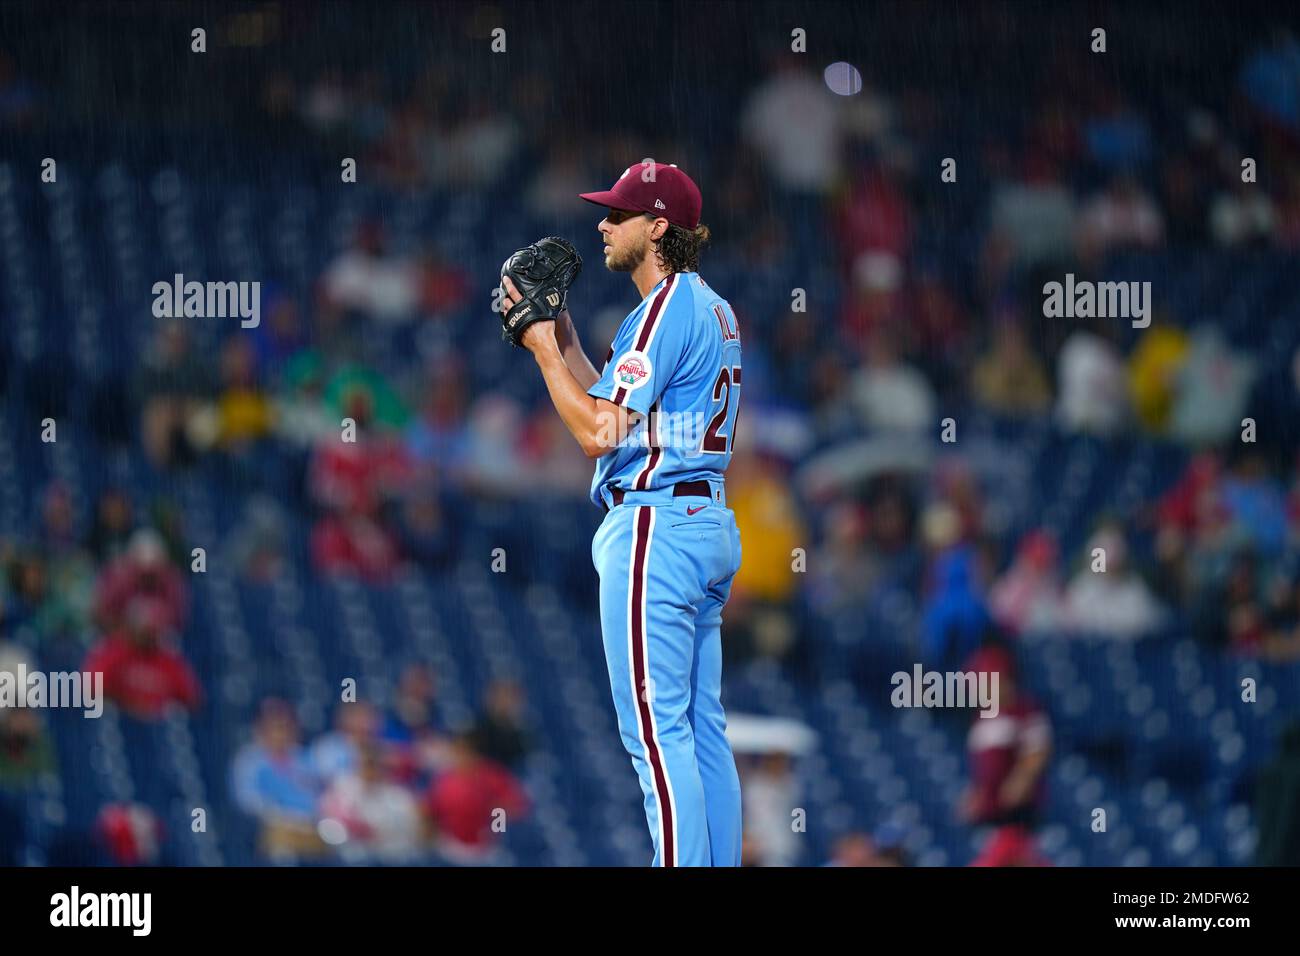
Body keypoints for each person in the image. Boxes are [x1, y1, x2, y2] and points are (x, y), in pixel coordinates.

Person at [496, 161, 743, 866]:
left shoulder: (664, 307)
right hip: (702, 524)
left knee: (657, 733)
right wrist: (563, 332)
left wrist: (540, 347)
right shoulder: (708, 306)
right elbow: (614, 411)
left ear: (658, 227)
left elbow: (596, 435)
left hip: (655, 528)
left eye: (619, 213)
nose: (603, 224)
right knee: (699, 727)